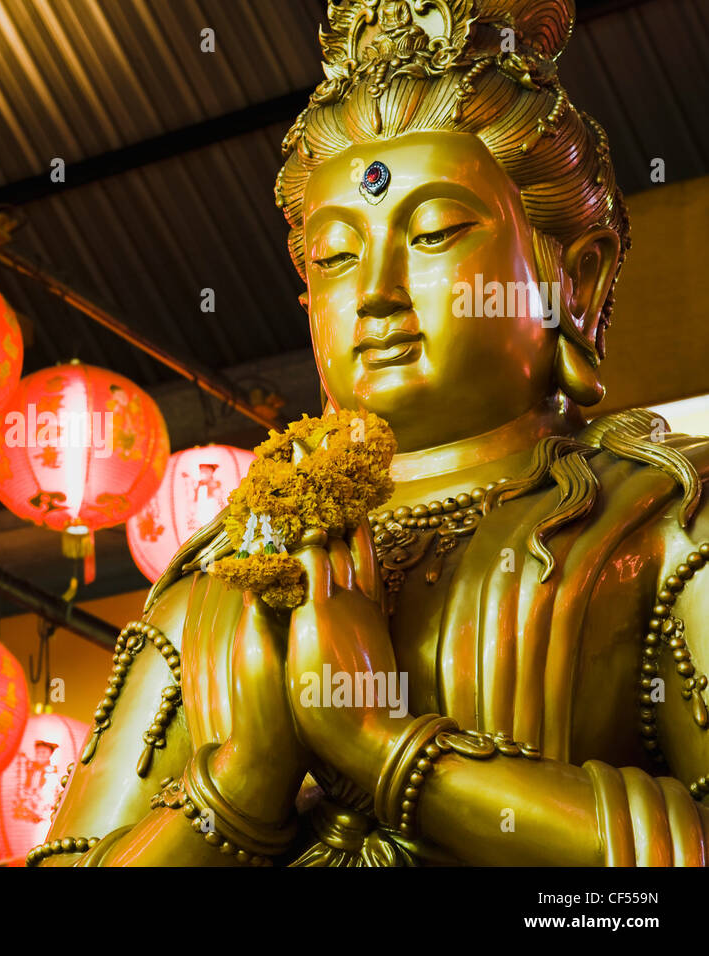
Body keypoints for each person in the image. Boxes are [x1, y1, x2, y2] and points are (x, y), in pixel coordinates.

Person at [41, 0, 709, 867]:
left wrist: (381, 746)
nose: (378, 292)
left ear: (573, 279)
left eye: (433, 233)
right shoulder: (231, 575)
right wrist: (242, 781)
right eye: (336, 256)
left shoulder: (659, 519)